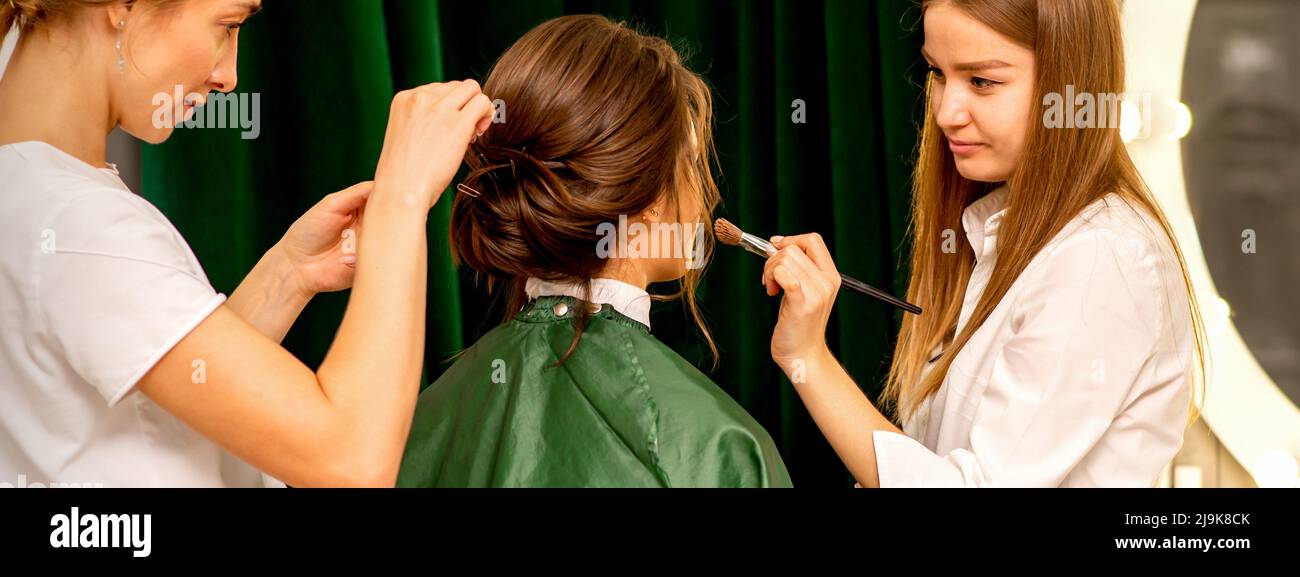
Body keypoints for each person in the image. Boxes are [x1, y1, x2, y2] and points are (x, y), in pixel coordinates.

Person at [0, 0, 494, 487]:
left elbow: (161, 399)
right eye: (227, 25)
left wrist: (288, 275)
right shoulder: (77, 223)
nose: (229, 76)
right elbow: (351, 459)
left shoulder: (35, 194)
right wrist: (402, 199)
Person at [760, 0, 1208, 487]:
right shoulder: (1000, 234)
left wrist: (809, 357)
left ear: (1071, 83)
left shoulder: (1099, 259)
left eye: (982, 81)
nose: (946, 112)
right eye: (937, 73)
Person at [397, 15, 791, 488]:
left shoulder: (415, 429)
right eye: (690, 162)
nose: (706, 194)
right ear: (651, 199)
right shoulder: (723, 449)